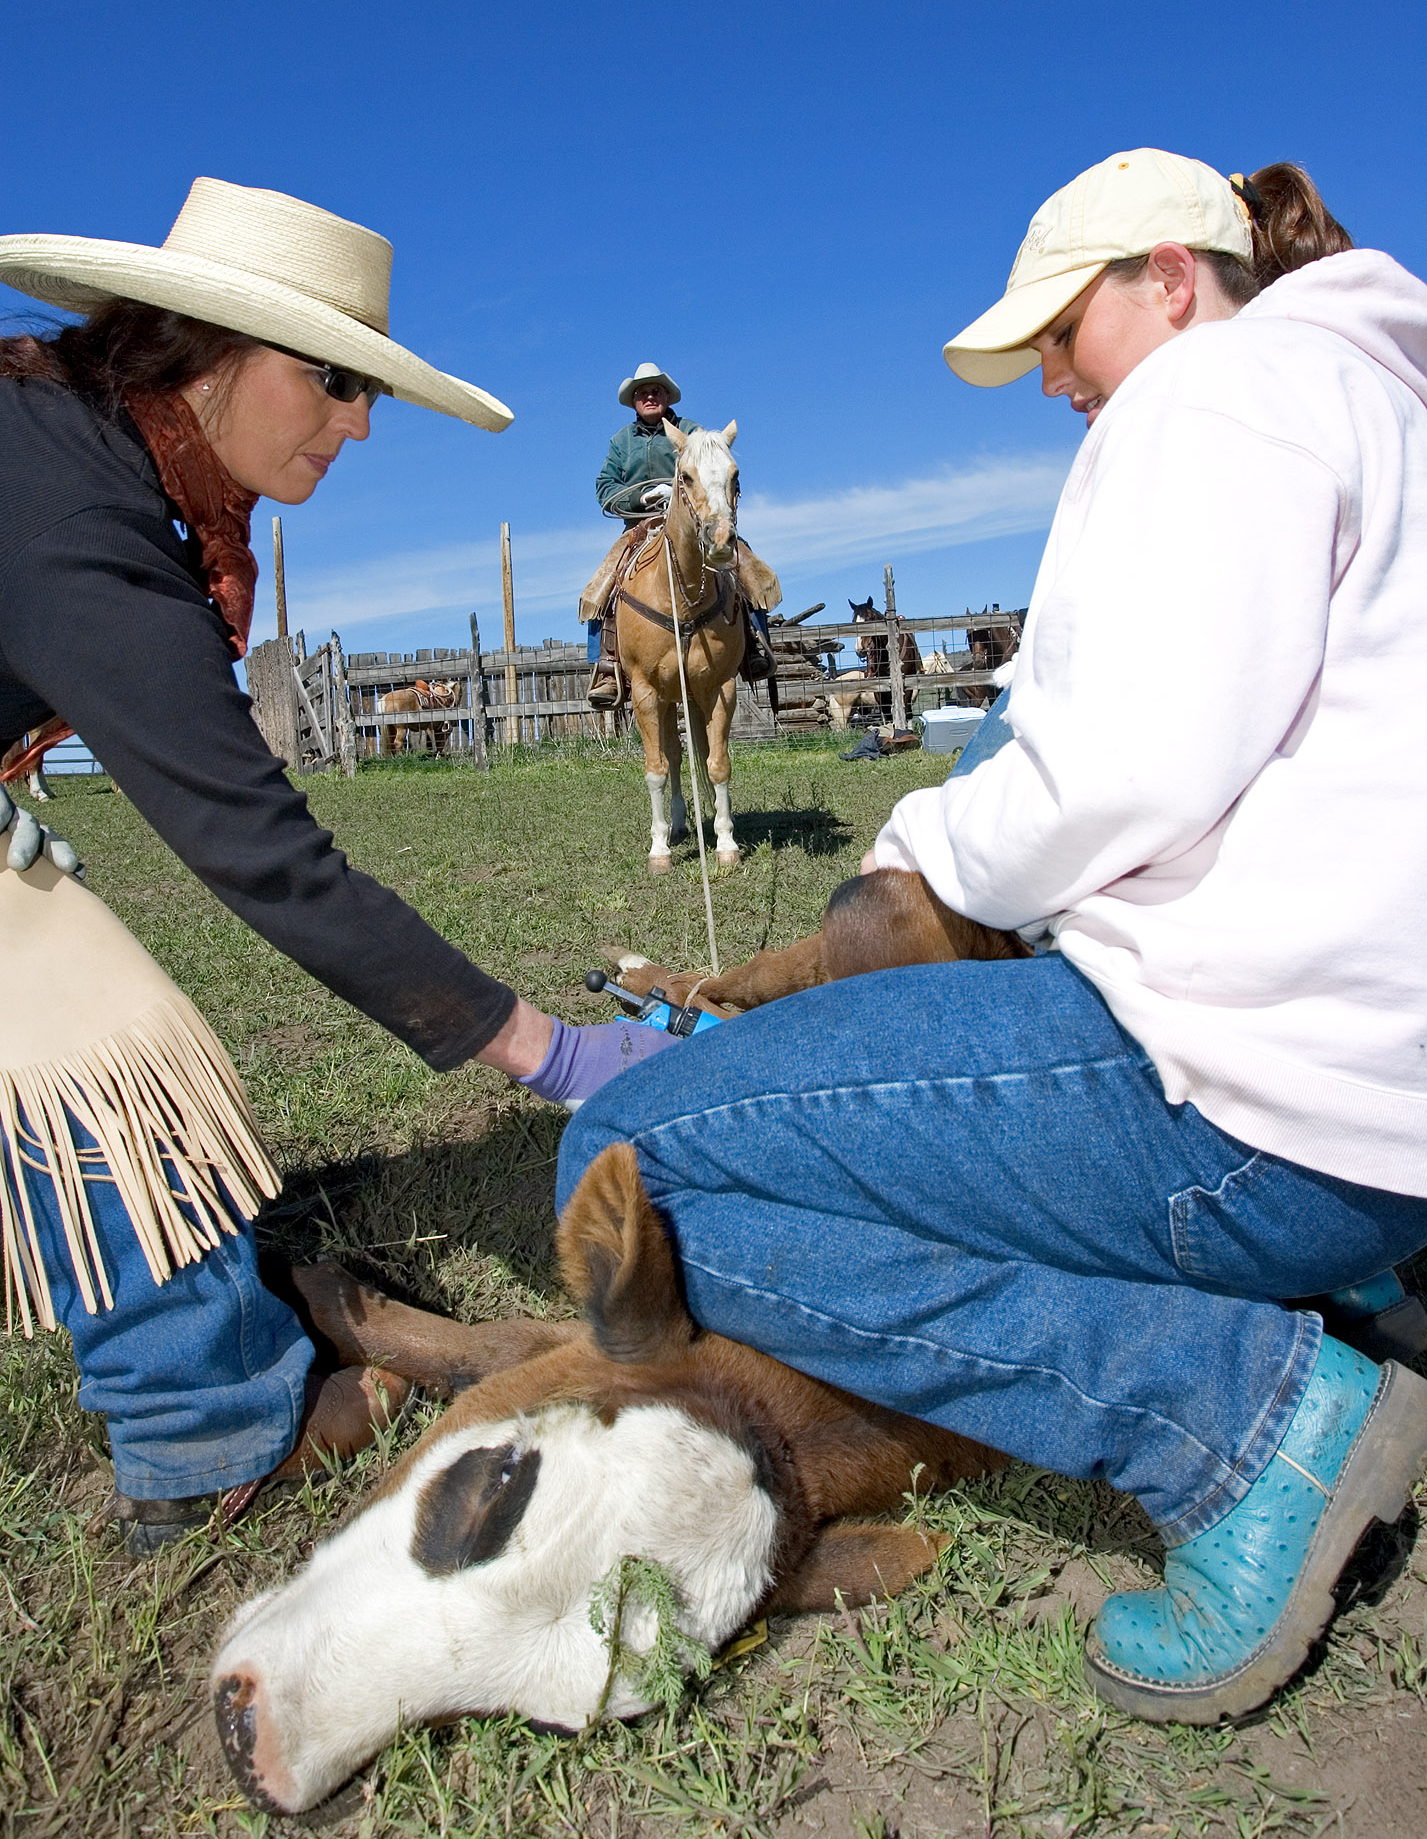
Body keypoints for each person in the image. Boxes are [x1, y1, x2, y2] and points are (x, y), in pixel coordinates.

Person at [560, 148, 1427, 1726]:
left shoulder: (1209, 397)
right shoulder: (1378, 397)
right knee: (609, 586)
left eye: (1061, 331)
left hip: (1250, 1112)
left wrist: (918, 846)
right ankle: (1338, 1291)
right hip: (1380, 1115)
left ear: (1168, 279)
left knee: (627, 1164)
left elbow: (1130, 768)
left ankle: (1225, 1415)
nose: (1047, 378)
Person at [0, 178, 675, 1555]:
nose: (360, 422)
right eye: (330, 381)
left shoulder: (66, 448)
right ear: (198, 348)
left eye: (368, 390)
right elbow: (261, 851)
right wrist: (550, 1055)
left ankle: (220, 1272)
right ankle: (203, 1434)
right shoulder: (72, 509)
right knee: (93, 1048)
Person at [584, 362, 777, 706]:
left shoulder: (691, 431)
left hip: (696, 520)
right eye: (642, 392)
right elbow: (605, 488)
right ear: (634, 401)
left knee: (743, 562)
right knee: (604, 582)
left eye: (656, 390)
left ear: (667, 396)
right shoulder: (621, 442)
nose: (650, 396)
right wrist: (642, 496)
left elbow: (714, 469)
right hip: (641, 525)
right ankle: (606, 667)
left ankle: (754, 641)